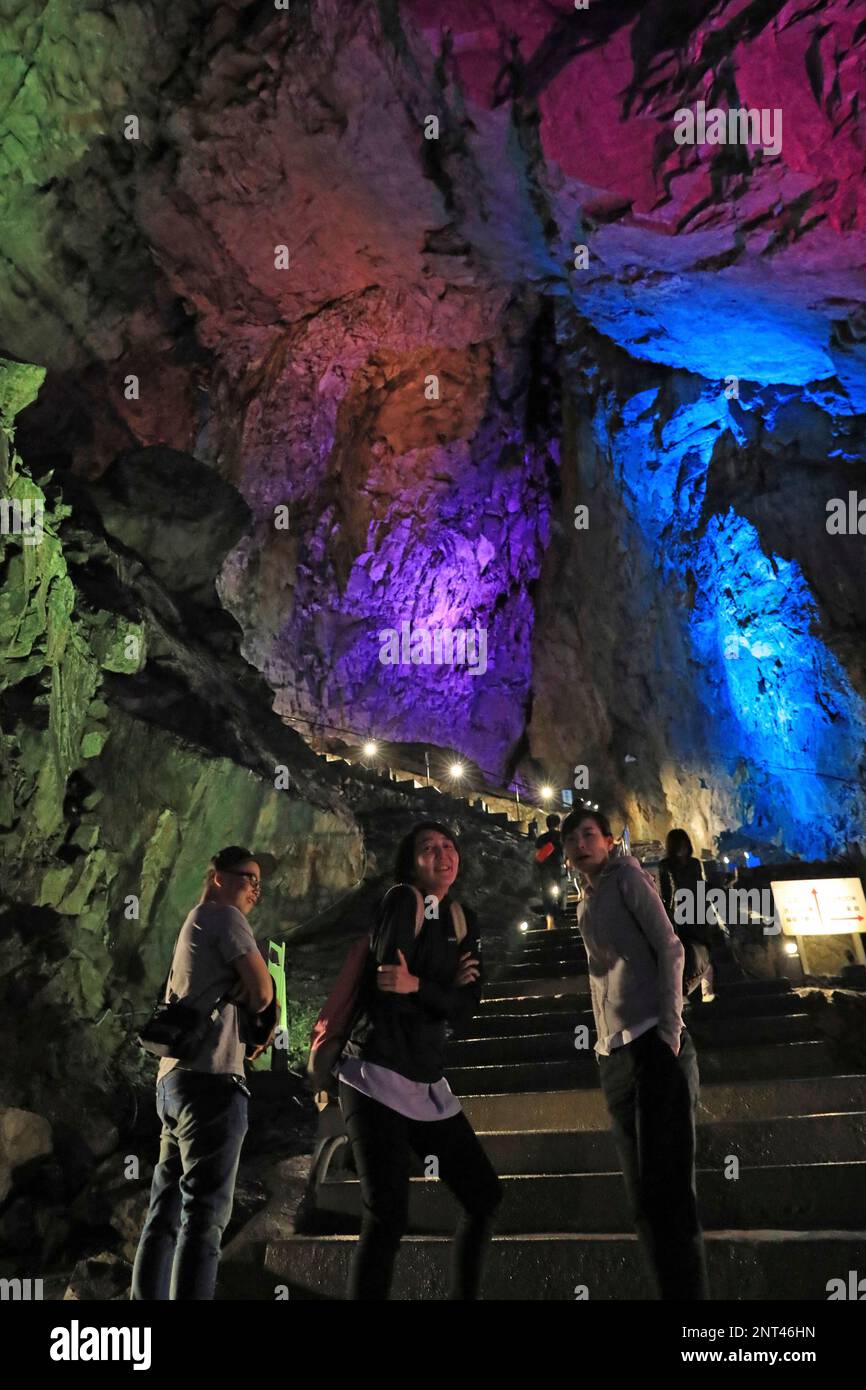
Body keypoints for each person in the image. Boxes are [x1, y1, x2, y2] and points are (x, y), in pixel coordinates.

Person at [337, 820, 502, 1299]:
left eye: (449, 846)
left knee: (484, 1195)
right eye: (429, 848)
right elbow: (392, 984)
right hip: (375, 1074)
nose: (443, 854)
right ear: (412, 862)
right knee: (386, 1216)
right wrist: (444, 987)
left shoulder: (461, 917)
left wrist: (427, 988)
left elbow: (468, 1008)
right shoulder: (402, 900)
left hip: (426, 1081)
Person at [562, 808, 709, 1300]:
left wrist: (670, 1029)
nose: (581, 844)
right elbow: (597, 977)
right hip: (617, 1058)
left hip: (653, 1045)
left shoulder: (627, 878)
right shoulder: (586, 901)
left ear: (608, 841)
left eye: (590, 835)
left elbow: (671, 948)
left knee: (668, 1196)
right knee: (643, 1201)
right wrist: (603, 1045)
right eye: (572, 839)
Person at [131, 846, 275, 1300]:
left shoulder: (192, 923)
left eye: (258, 881)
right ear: (217, 877)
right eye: (246, 877)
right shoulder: (225, 917)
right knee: (205, 1217)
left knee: (166, 1213)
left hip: (172, 1083)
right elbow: (264, 990)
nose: (254, 888)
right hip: (211, 1081)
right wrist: (254, 990)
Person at [659, 829, 715, 1003]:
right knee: (687, 952)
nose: (682, 848)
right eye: (679, 845)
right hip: (680, 913)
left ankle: (707, 991)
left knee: (704, 948)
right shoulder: (666, 865)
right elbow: (667, 892)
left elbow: (700, 885)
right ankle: (690, 991)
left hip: (697, 910)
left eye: (684, 844)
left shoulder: (695, 863)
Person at [534, 813, 564, 929]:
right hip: (559, 868)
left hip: (546, 870)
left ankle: (550, 920)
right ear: (558, 824)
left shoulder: (541, 838)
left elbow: (537, 856)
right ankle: (559, 915)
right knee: (562, 892)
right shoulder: (562, 836)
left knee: (547, 896)